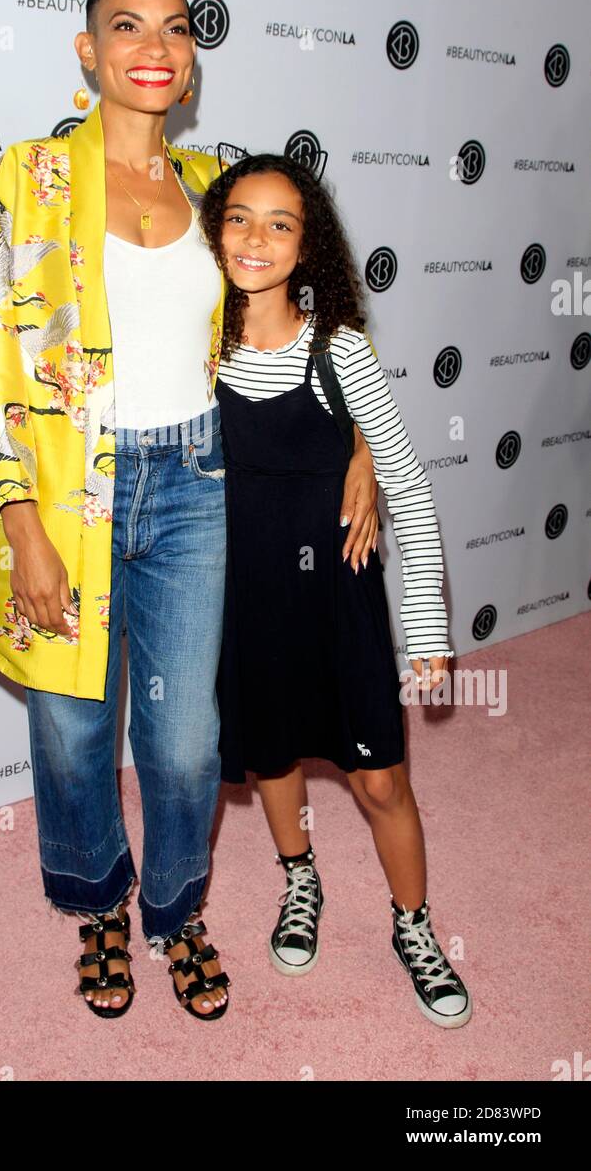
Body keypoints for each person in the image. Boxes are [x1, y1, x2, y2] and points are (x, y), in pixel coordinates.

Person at [0, 0, 380, 1019]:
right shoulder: (27, 177)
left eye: (176, 28)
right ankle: (98, 898)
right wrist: (20, 521)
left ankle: (177, 908)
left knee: (185, 734)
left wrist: (359, 437)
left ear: (190, 59)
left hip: (196, 479)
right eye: (126, 26)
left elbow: (301, 313)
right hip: (61, 496)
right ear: (87, 52)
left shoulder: (213, 186)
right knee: (71, 726)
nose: (154, 46)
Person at [199, 152, 473, 1028]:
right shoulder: (191, 352)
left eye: (282, 223)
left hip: (339, 600)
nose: (257, 238)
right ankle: (299, 877)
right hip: (244, 602)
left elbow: (411, 484)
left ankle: (415, 925)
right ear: (213, 230)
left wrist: (427, 621)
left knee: (382, 782)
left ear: (307, 245)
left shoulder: (340, 350)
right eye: (240, 217)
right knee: (273, 759)